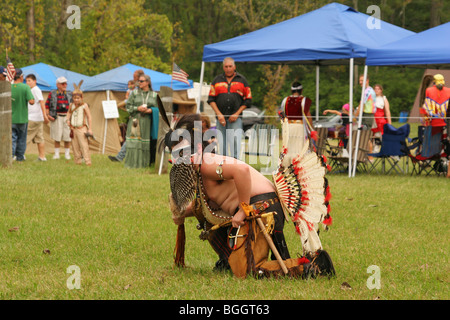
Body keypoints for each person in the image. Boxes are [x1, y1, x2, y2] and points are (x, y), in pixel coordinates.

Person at [166, 114, 334, 279]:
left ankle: (310, 267)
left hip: (262, 207)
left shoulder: (206, 163)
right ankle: (227, 260)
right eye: (179, 155)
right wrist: (180, 213)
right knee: (205, 216)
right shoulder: (198, 171)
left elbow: (241, 171)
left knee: (250, 270)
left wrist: (242, 209)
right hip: (258, 206)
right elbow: (201, 207)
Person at [207, 57, 252, 160]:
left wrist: (237, 114)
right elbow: (211, 99)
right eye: (226, 66)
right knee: (221, 143)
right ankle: (223, 166)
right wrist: (219, 114)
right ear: (223, 67)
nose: (228, 69)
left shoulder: (242, 80)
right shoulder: (216, 80)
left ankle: (236, 165)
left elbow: (248, 100)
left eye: (230, 66)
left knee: (235, 141)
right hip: (221, 118)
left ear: (234, 67)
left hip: (236, 118)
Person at [124, 74, 159, 168]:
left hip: (147, 122)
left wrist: (151, 110)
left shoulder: (154, 95)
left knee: (144, 142)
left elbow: (159, 109)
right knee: (134, 142)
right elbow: (128, 107)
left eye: (141, 81)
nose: (139, 83)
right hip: (136, 121)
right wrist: (137, 108)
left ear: (147, 82)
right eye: (138, 81)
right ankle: (132, 164)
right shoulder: (134, 93)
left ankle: (144, 164)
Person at [45, 76, 73, 160]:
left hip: (67, 117)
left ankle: (67, 154)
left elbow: (73, 107)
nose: (65, 85)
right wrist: (48, 115)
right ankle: (56, 154)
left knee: (67, 136)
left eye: (66, 83)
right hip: (56, 116)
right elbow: (47, 105)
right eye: (63, 83)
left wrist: (70, 117)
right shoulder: (52, 93)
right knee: (57, 136)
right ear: (58, 85)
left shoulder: (69, 93)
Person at [65, 82, 93, 166]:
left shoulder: (84, 105)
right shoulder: (71, 105)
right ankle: (77, 161)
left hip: (82, 128)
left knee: (84, 146)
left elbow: (89, 117)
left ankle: (88, 161)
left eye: (78, 98)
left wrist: (90, 129)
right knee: (75, 146)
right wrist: (67, 121)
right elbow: (68, 114)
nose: (76, 100)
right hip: (73, 129)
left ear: (81, 97)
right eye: (74, 98)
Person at [11, 69, 35, 162]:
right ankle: (20, 157)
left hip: (11, 118)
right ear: (21, 76)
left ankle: (10, 156)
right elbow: (31, 101)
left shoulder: (8, 87)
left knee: (12, 138)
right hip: (22, 118)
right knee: (21, 139)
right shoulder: (25, 87)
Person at [26, 74, 49, 161]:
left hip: (33, 118)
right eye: (27, 81)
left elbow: (42, 102)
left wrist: (45, 115)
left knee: (25, 136)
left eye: (29, 81)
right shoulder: (31, 90)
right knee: (39, 138)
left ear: (35, 81)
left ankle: (19, 155)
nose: (28, 82)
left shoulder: (36, 90)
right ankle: (42, 157)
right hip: (38, 119)